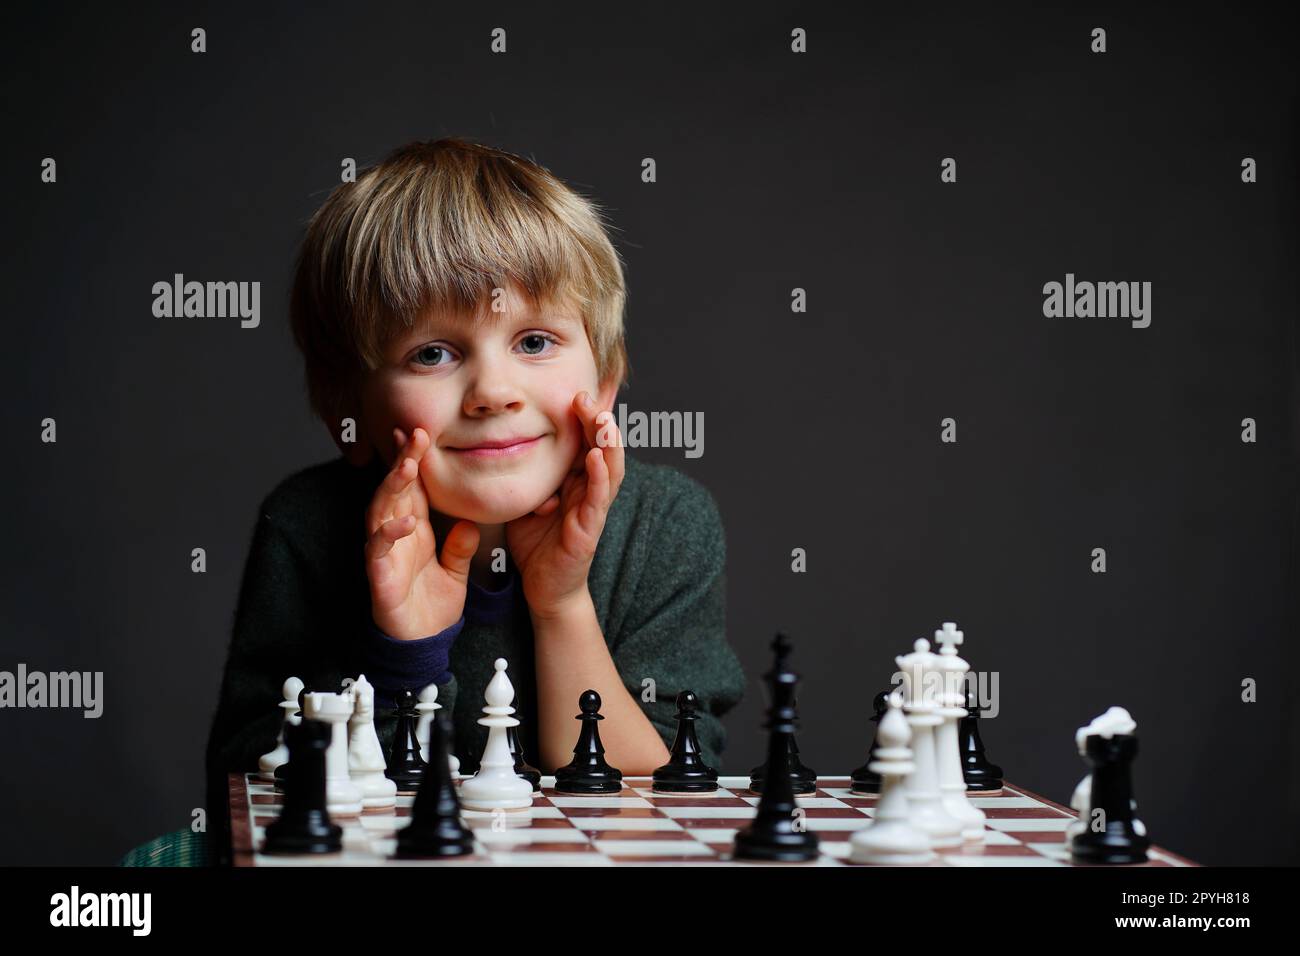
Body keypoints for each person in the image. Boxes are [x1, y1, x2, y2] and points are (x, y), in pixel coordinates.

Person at [194, 138, 745, 865]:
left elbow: (663, 800)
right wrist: (403, 651)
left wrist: (562, 604)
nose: (493, 392)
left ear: (605, 382)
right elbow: (249, 792)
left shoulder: (668, 523)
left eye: (536, 340)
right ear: (346, 413)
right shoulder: (307, 525)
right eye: (433, 353)